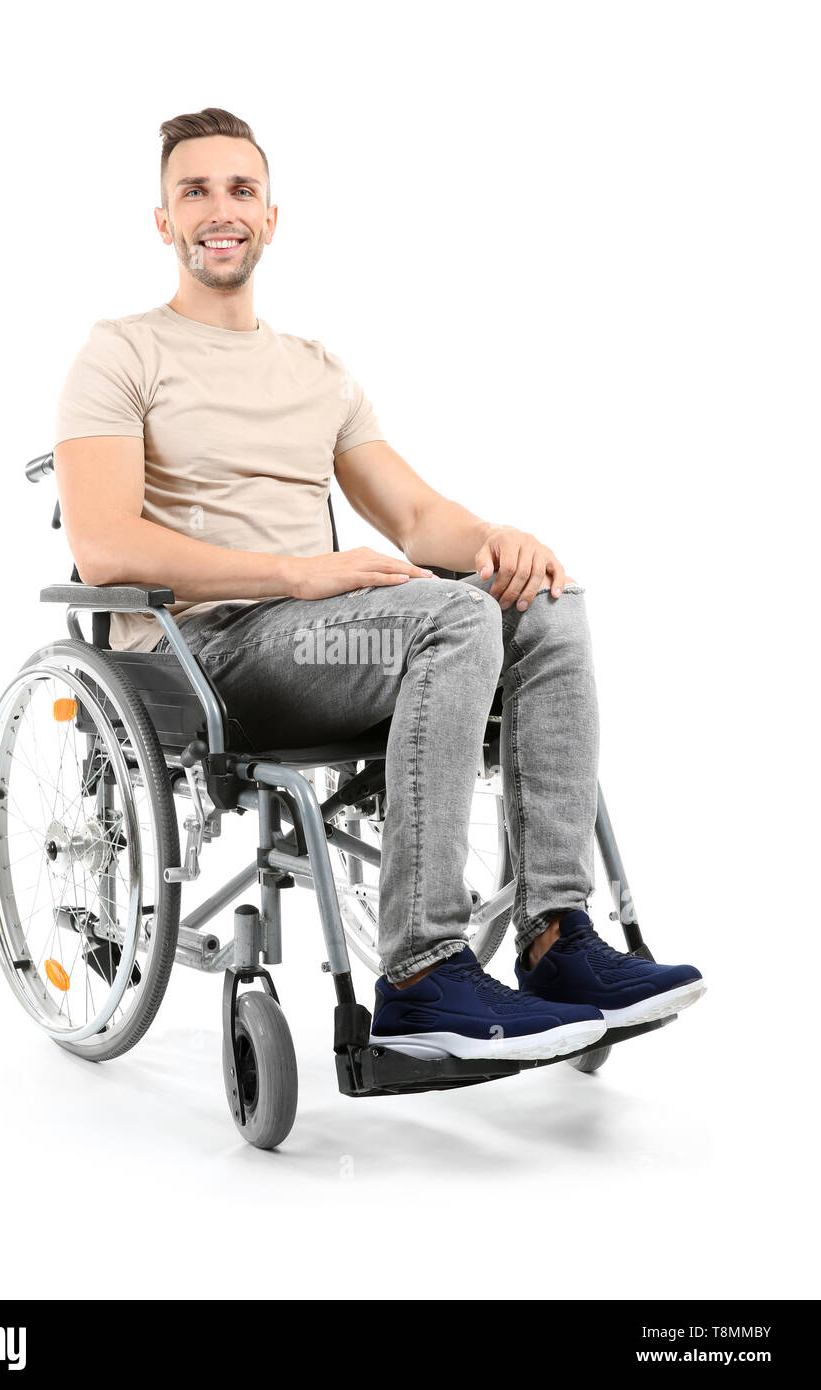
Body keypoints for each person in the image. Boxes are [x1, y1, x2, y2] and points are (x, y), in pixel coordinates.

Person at [54, 107, 705, 1064]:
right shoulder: (121, 353)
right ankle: (420, 969)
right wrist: (298, 572)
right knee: (453, 617)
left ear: (272, 217)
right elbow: (106, 546)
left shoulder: (316, 370)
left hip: (328, 640)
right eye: (194, 191)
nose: (219, 210)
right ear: (163, 220)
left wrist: (495, 537)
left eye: (241, 190)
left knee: (546, 605)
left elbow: (412, 518)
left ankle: (556, 936)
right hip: (211, 652)